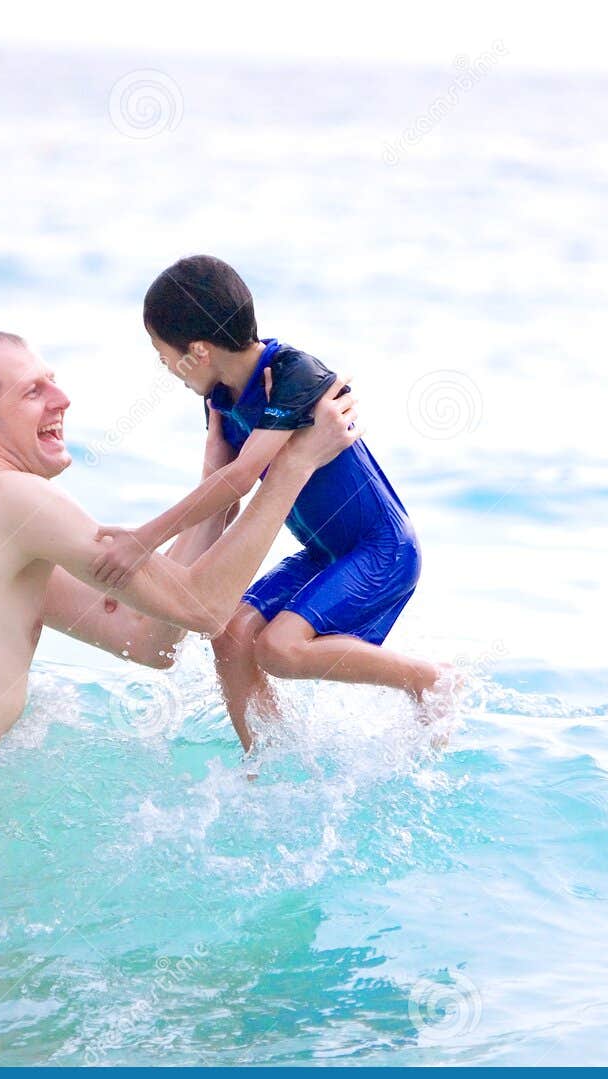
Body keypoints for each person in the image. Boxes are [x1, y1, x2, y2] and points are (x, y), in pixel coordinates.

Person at [0, 330, 359, 888]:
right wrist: (293, 469)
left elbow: (151, 640)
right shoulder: (14, 499)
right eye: (33, 390)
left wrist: (215, 480)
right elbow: (205, 610)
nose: (63, 398)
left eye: (52, 381)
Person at [92, 255, 443, 750]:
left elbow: (239, 480)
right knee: (231, 634)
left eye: (161, 353)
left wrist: (143, 541)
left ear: (196, 351)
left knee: (279, 649)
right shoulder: (220, 398)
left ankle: (429, 680)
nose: (164, 367)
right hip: (327, 554)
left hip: (381, 548)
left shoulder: (293, 374)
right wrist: (149, 578)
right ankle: (268, 763)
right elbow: (221, 504)